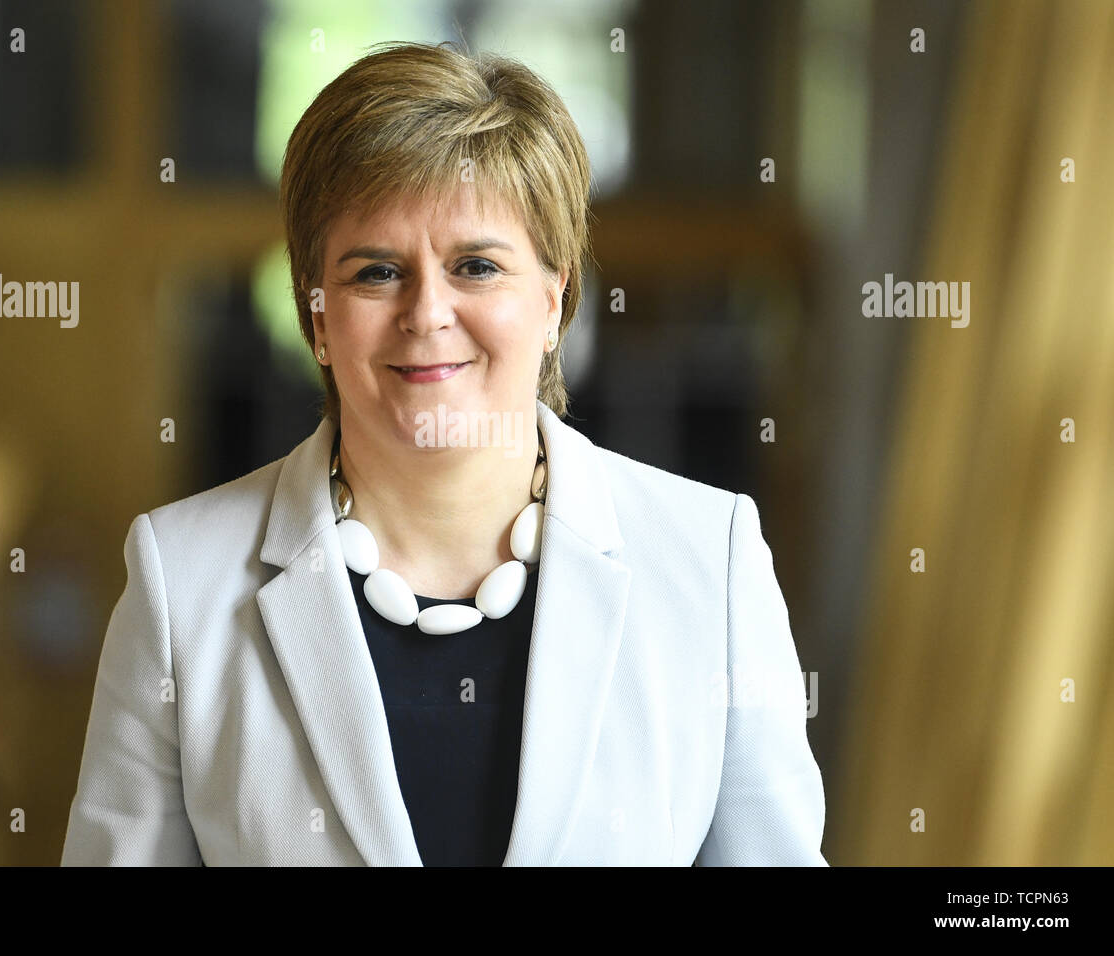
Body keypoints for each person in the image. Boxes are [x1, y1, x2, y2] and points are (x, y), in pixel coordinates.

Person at [61, 40, 828, 866]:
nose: (427, 313)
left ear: (552, 302)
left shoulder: (709, 563)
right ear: (317, 317)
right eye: (377, 273)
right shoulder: (182, 582)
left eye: (474, 266)